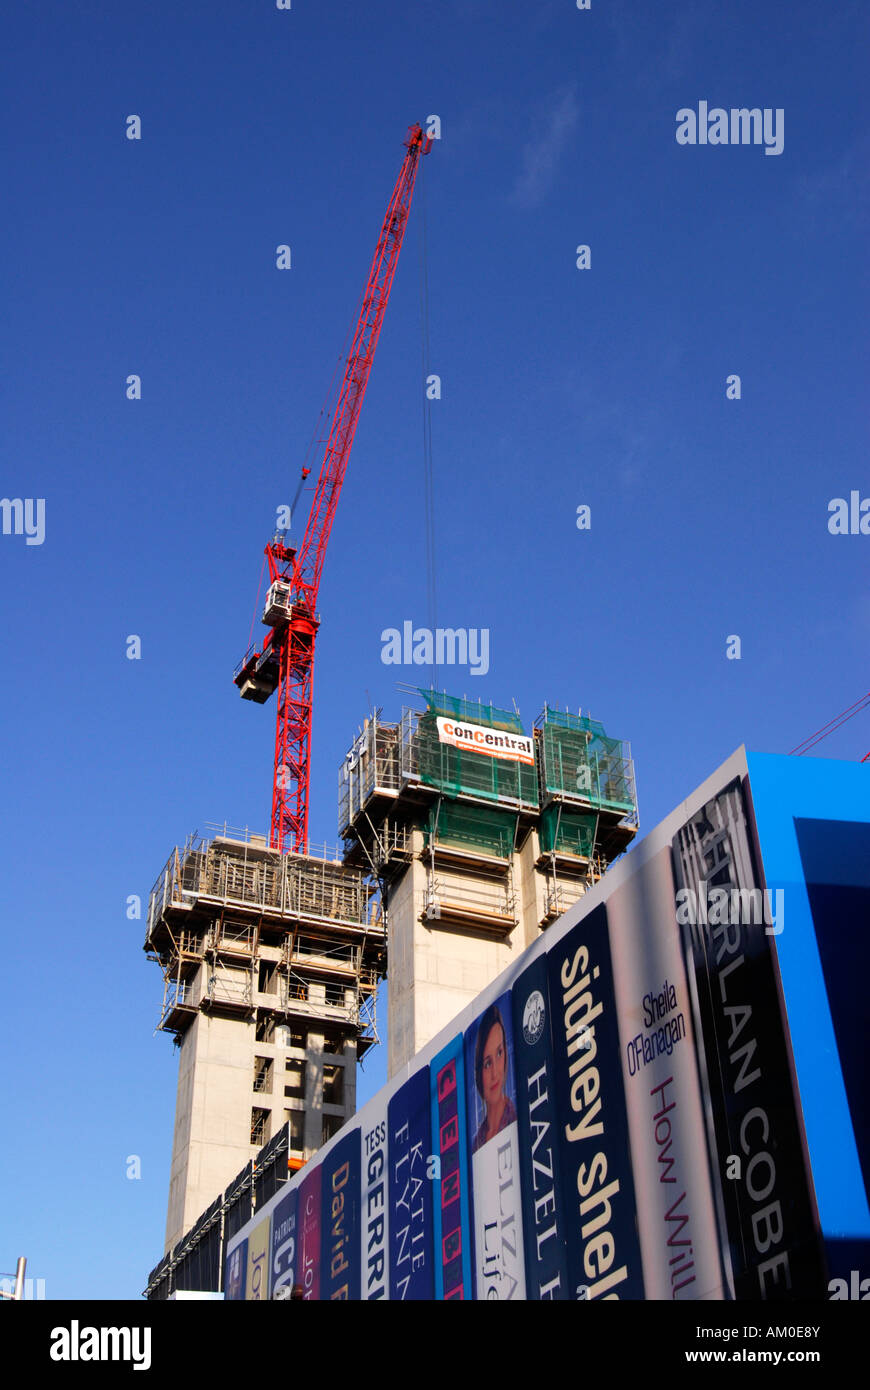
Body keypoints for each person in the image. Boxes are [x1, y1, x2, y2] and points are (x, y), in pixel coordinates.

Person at [472, 1004, 516, 1153]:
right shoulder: (477, 1142)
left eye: (499, 1053)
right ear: (479, 1073)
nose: (495, 1073)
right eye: (487, 1063)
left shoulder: (515, 1120)